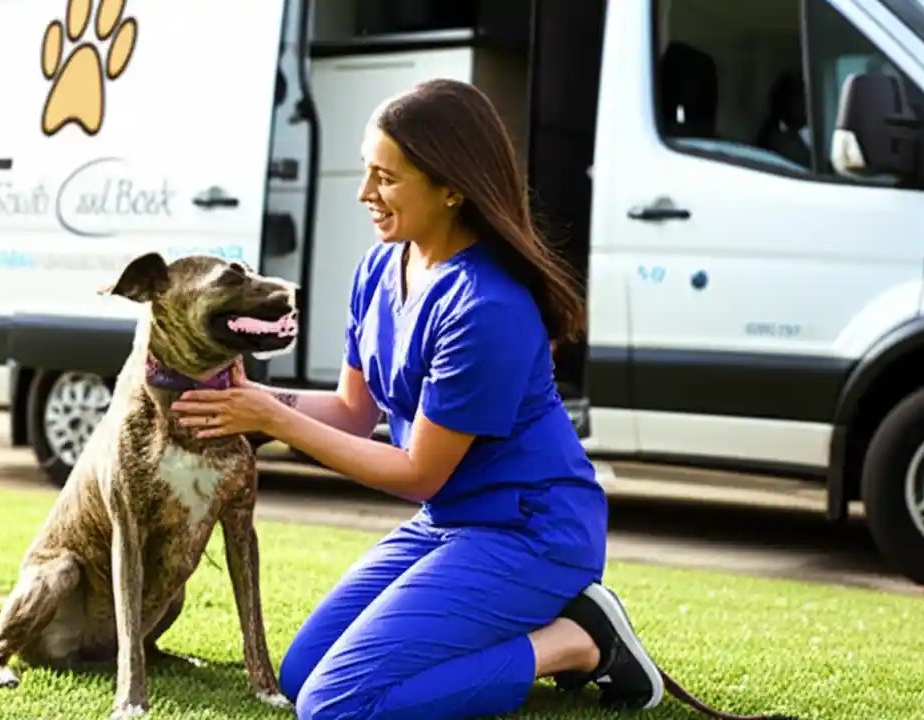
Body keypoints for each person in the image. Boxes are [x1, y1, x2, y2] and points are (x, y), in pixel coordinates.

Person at [169, 78, 664, 720]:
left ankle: (579, 641)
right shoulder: (379, 269)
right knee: (301, 674)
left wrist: (270, 418)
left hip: (531, 533)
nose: (364, 193)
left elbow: (417, 473)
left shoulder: (486, 307)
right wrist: (248, 395)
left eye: (386, 178)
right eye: (366, 171)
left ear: (450, 188)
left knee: (335, 704)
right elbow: (353, 412)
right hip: (447, 524)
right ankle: (519, 630)